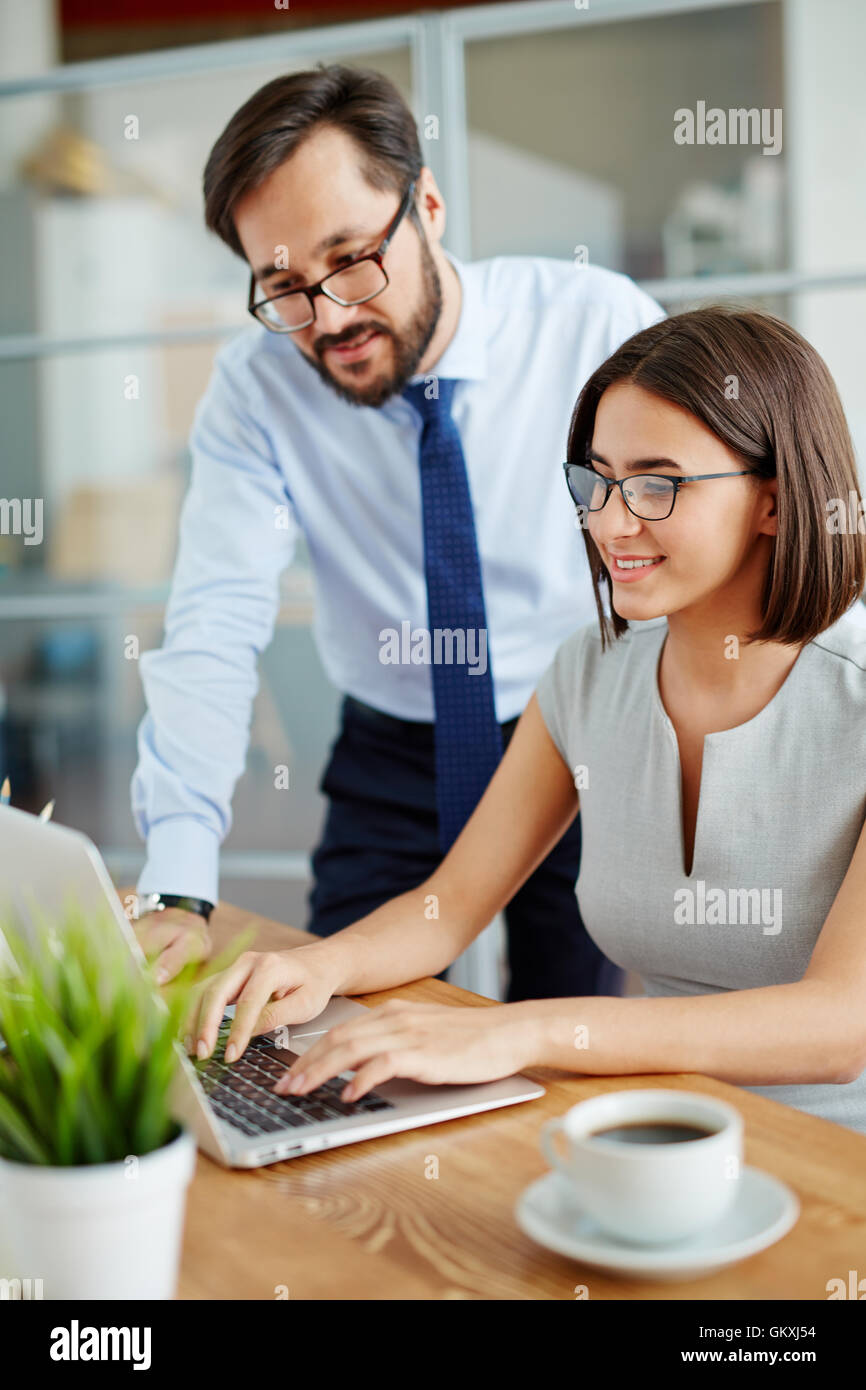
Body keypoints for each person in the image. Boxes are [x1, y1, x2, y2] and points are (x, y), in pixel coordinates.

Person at [188, 305, 866, 1136]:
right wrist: (315, 966)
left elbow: (841, 1026)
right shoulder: (588, 673)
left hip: (836, 1166)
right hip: (663, 1137)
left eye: (657, 484)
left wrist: (525, 1028)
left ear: (773, 500)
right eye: (597, 480)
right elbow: (450, 904)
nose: (611, 523)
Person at [130, 63, 662, 1002]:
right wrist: (179, 882)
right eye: (284, 286)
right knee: (326, 1028)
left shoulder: (596, 327)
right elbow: (215, 621)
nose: (328, 317)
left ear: (427, 205)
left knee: (579, 1035)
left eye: (349, 258)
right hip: (393, 750)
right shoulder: (256, 390)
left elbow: (701, 546)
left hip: (584, 735)